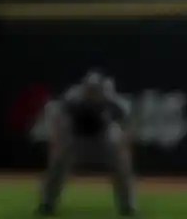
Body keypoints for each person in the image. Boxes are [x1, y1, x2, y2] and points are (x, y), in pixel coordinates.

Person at [37, 70, 138, 217]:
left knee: (122, 164)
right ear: (84, 88)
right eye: (91, 89)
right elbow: (59, 120)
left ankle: (127, 206)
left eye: (97, 90)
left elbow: (127, 122)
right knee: (57, 164)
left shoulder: (112, 100)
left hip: (103, 135)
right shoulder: (73, 98)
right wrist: (59, 141)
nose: (93, 93)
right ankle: (47, 204)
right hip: (76, 136)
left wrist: (124, 143)